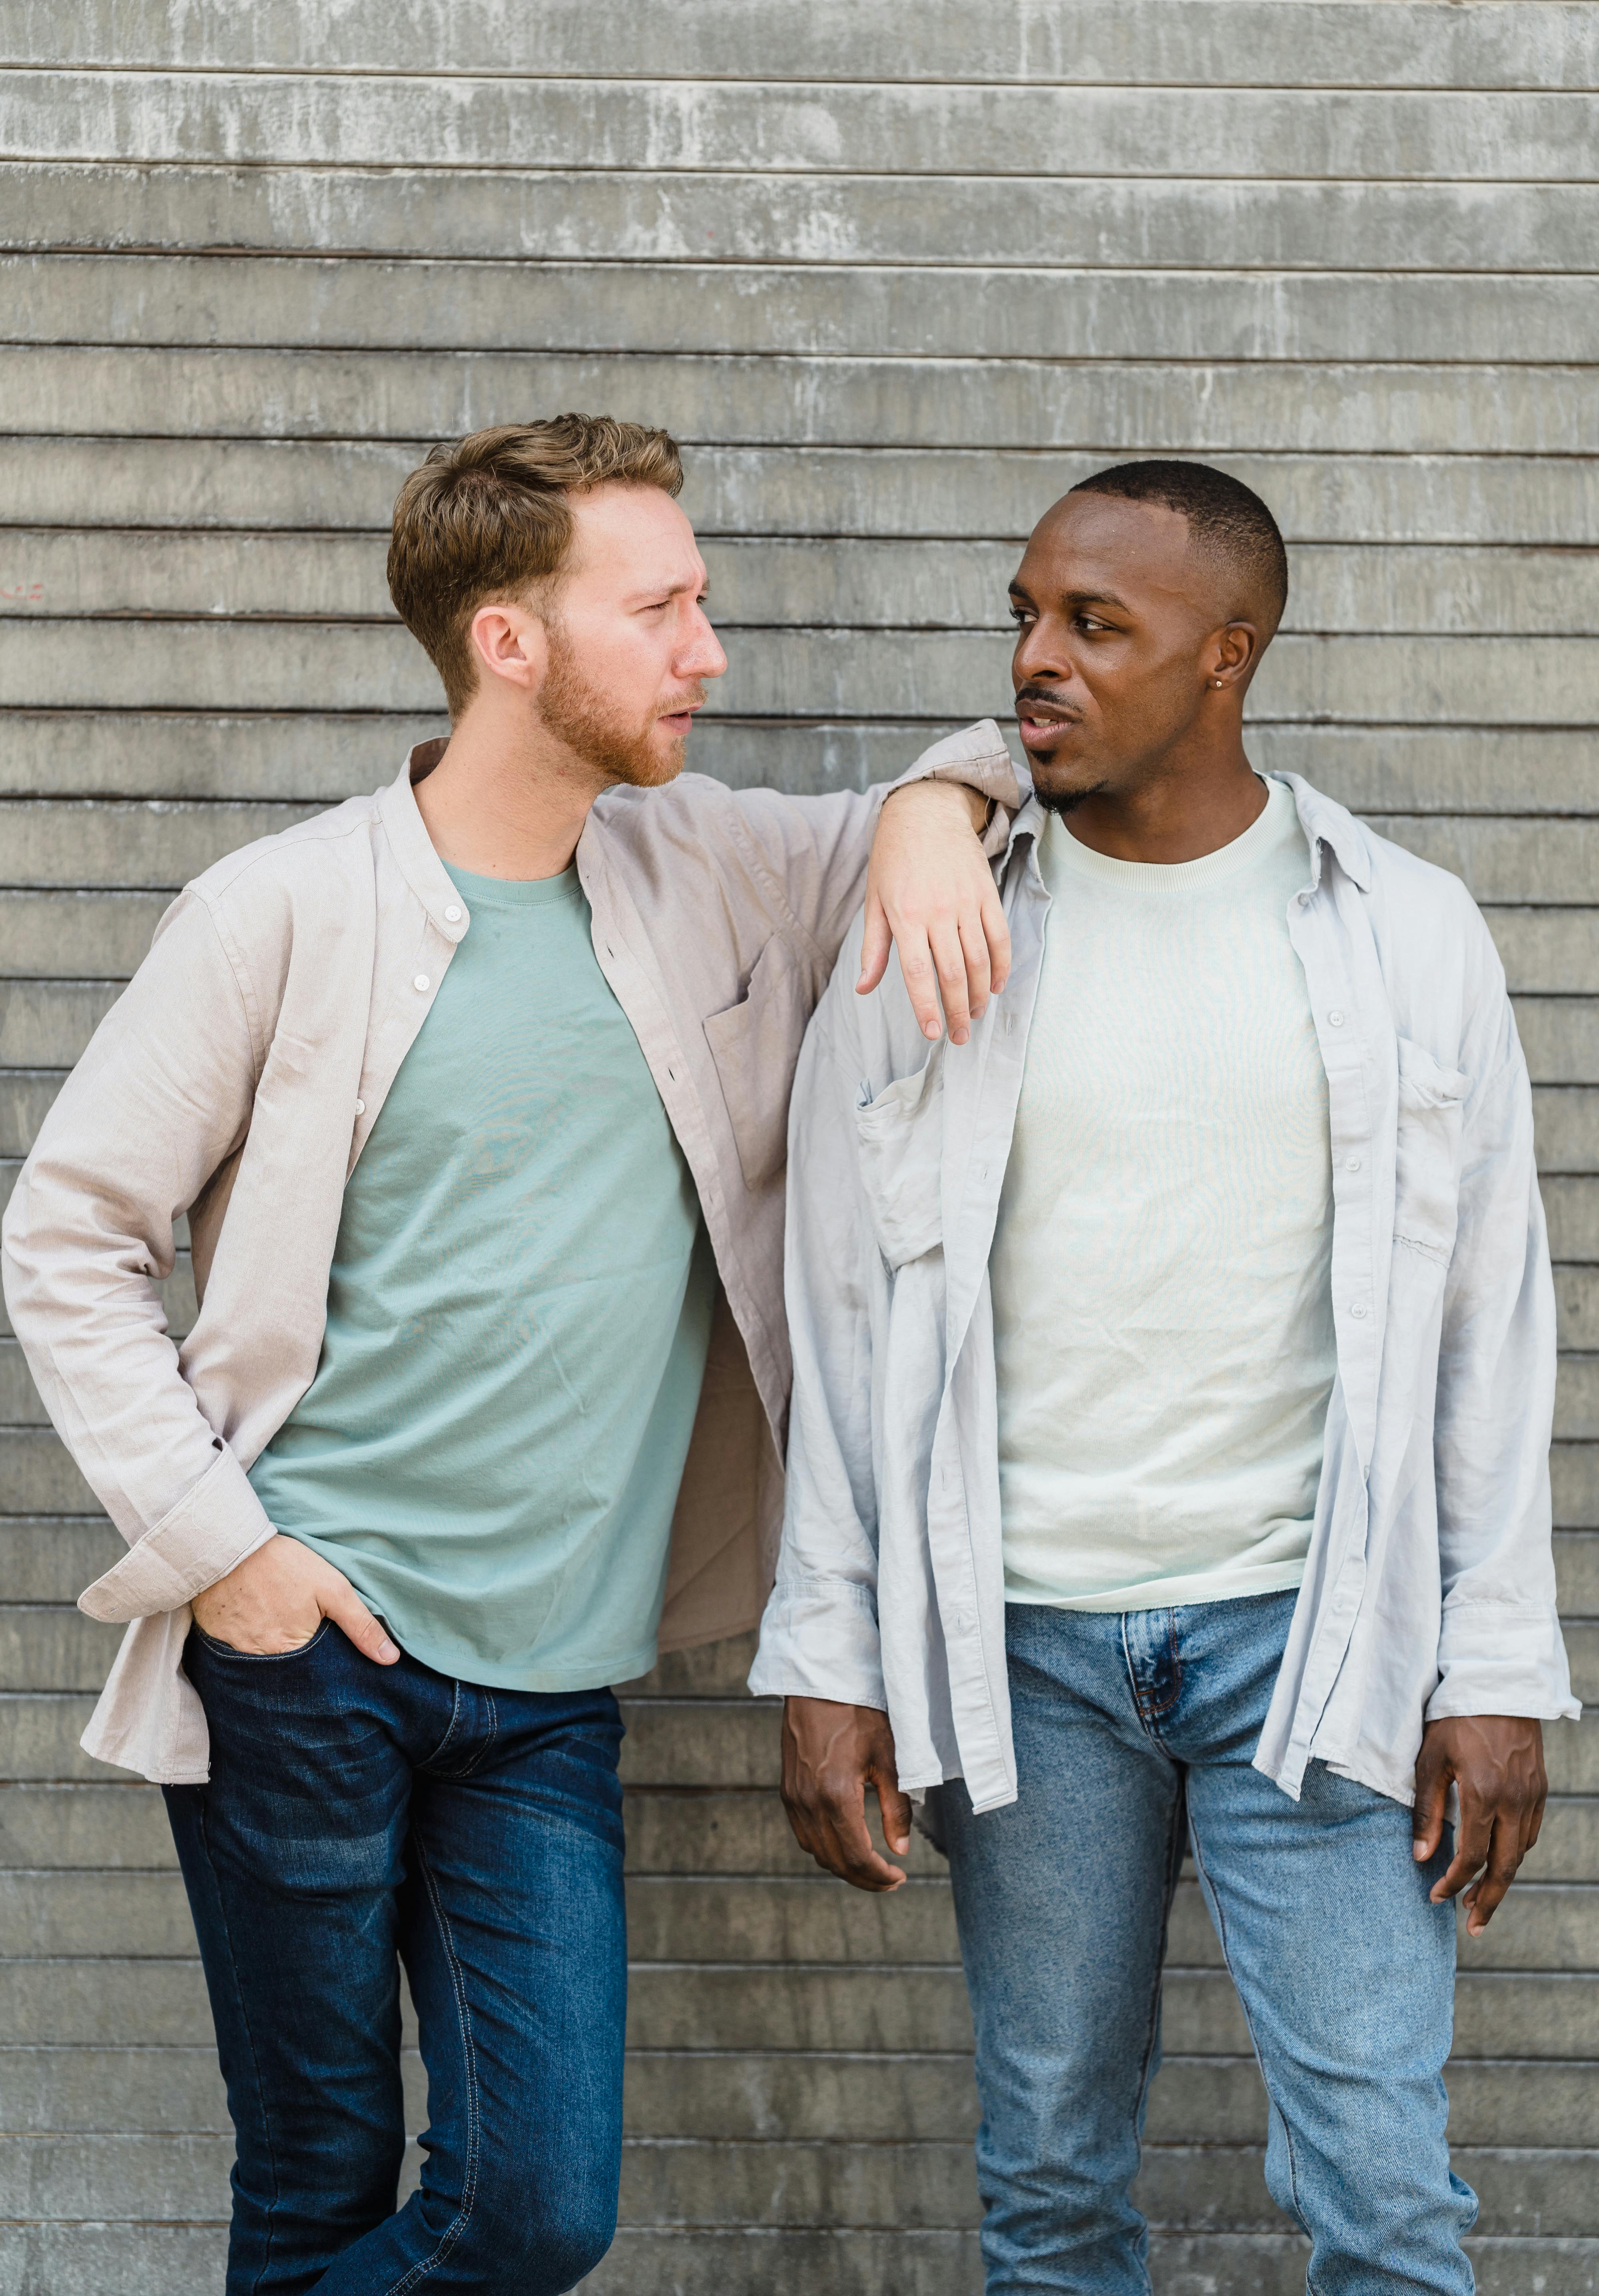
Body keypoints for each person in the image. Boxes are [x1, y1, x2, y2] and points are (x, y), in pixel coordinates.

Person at [1, 414, 1019, 2296]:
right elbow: (67, 1233)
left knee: (536, 2211)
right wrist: (228, 1555)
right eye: (661, 609)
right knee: (311, 2175)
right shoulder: (282, 911)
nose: (707, 650)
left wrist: (934, 815)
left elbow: (979, 771)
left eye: (698, 602)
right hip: (306, 1662)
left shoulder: (704, 867)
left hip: (549, 1688)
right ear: (509, 643)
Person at [754, 460, 1577, 2293]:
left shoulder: (1400, 928)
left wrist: (1498, 1658)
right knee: (1047, 2178)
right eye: (1025, 619)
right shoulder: (938, 922)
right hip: (1020, 1644)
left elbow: (1489, 1323)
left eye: (1092, 627)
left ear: (1231, 654)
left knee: (1382, 2183)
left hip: (1318, 1628)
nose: (1032, 663)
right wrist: (827, 1649)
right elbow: (837, 1316)